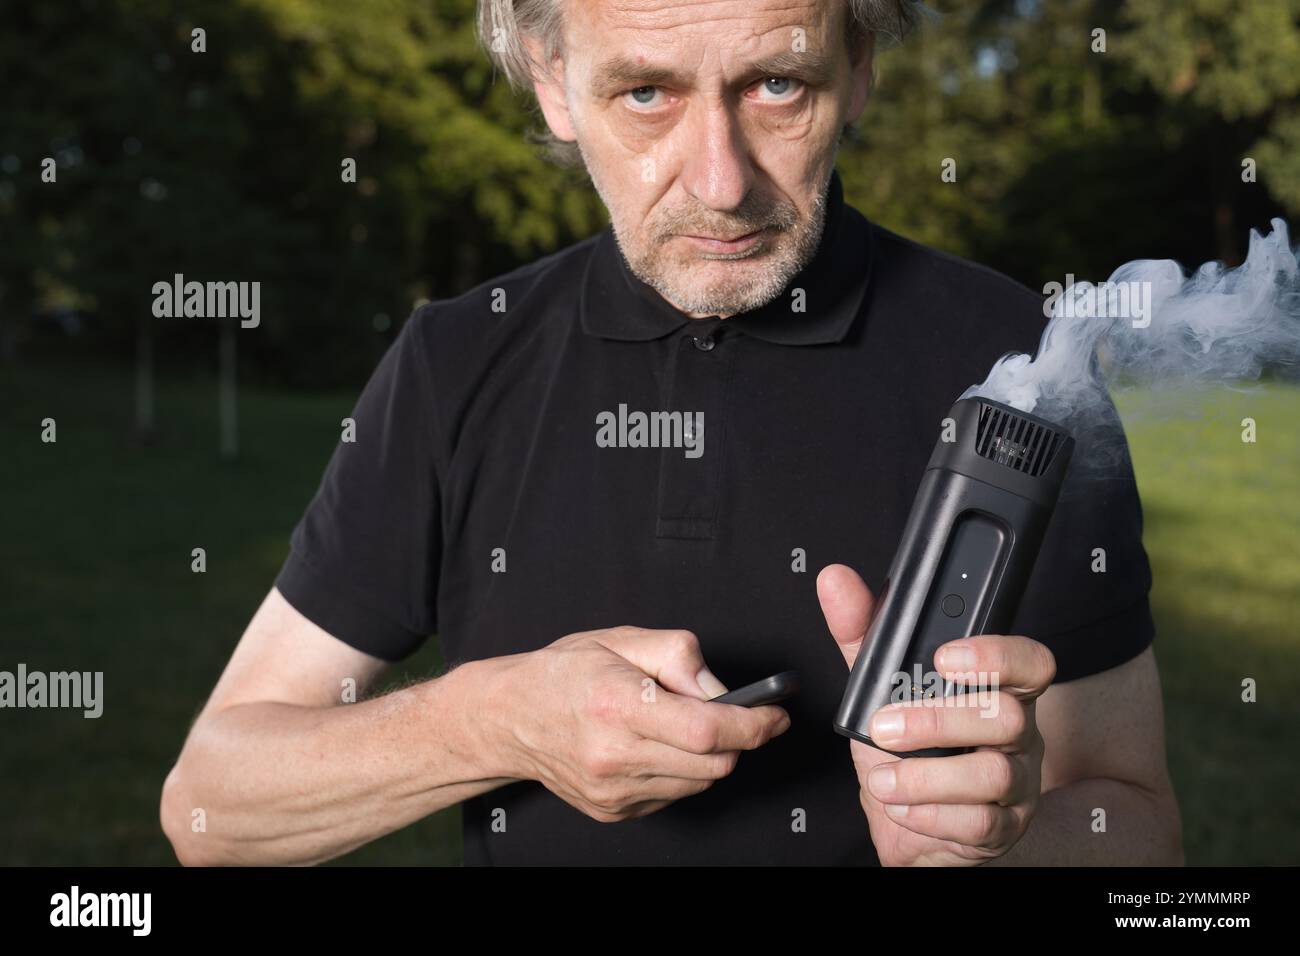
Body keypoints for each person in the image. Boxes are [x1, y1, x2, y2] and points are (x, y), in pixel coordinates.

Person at [160, 0, 1183, 866]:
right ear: (552, 82)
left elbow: (1133, 813)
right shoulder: (456, 361)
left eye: (777, 86)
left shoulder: (1019, 366)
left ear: (858, 67)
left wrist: (996, 848)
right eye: (645, 93)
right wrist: (495, 720)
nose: (720, 181)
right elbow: (209, 800)